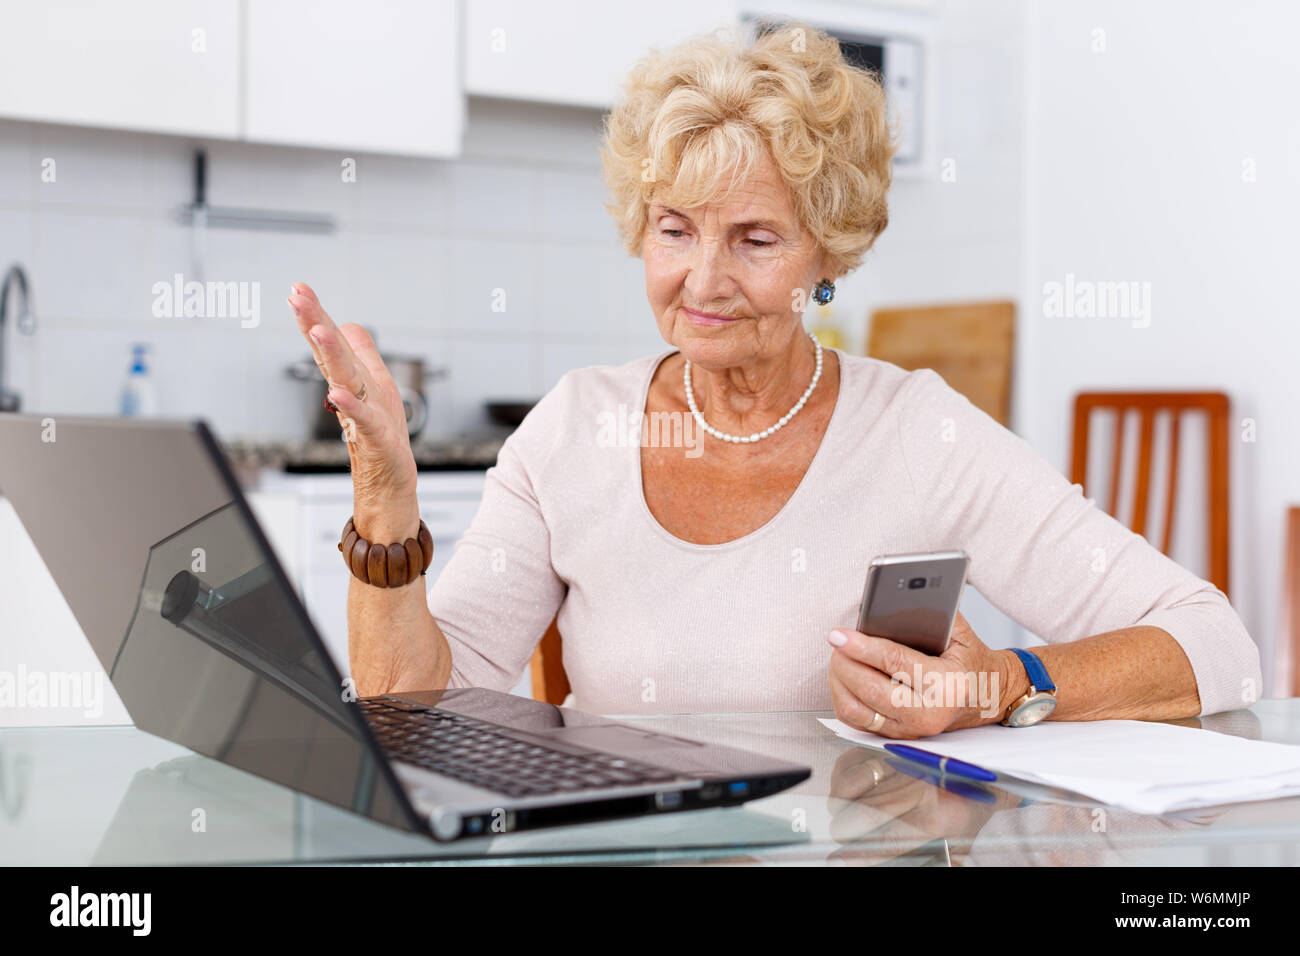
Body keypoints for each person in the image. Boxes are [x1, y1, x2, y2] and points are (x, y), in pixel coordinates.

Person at [285, 23, 1260, 739]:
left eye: (753, 239)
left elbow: (1214, 643)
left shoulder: (915, 431)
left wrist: (999, 680)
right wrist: (384, 490)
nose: (701, 280)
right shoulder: (575, 426)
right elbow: (409, 712)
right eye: (673, 229)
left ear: (825, 254)